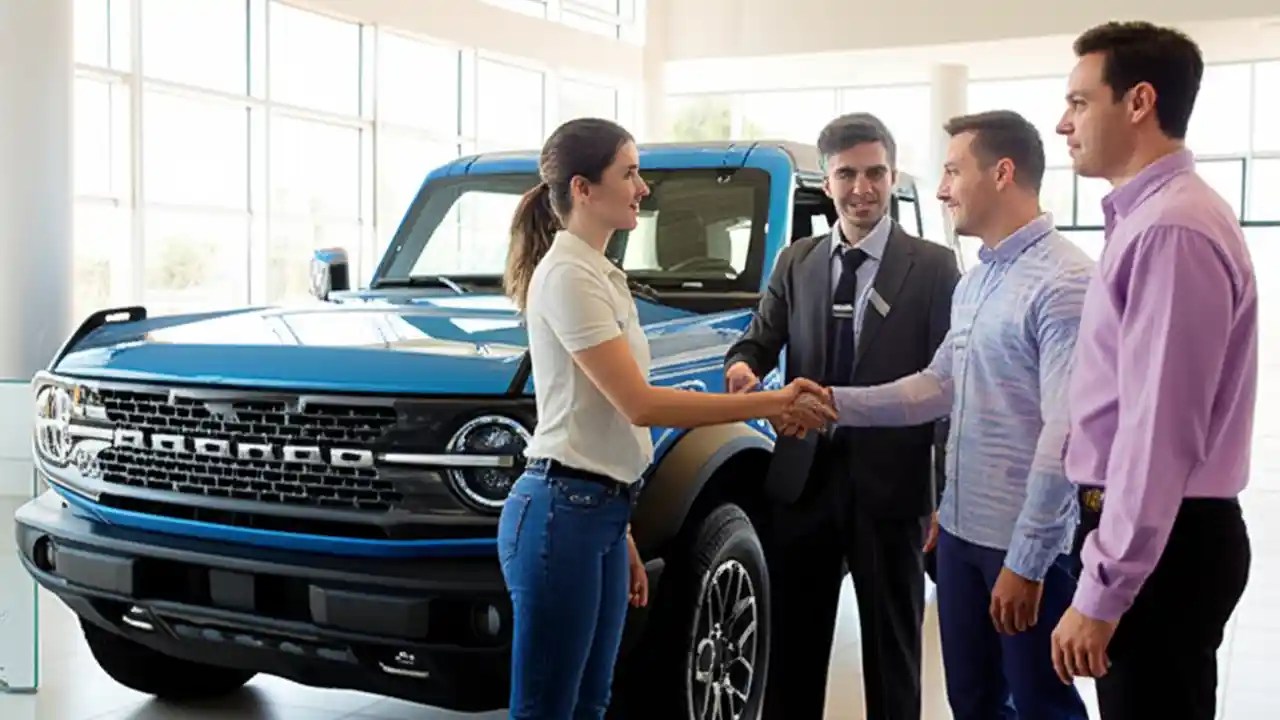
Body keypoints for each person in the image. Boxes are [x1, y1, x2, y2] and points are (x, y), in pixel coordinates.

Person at [497, 117, 835, 720]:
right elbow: (642, 404)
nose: (642, 188)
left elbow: (608, 419)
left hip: (596, 511)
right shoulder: (569, 276)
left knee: (591, 703)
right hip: (559, 517)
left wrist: (622, 524)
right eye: (629, 173)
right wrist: (771, 401)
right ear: (583, 188)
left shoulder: (602, 274)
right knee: (547, 709)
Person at [808, 110, 1092, 719]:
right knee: (973, 701)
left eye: (952, 171)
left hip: (1021, 543)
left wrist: (1029, 559)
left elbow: (1065, 437)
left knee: (1043, 704)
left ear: (1002, 174)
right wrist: (829, 401)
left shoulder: (1065, 282)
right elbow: (936, 387)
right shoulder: (978, 280)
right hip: (962, 538)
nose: (939, 189)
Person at [1049, 21, 1257, 720]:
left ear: (1138, 102)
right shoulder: (1152, 219)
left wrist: (1105, 588)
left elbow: (1157, 434)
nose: (1062, 123)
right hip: (1157, 538)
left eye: (1079, 102)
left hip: (1162, 546)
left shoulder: (1171, 229)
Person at [724, 112, 960, 720]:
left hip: (894, 488)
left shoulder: (934, 268)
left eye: (875, 173)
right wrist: (745, 372)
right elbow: (756, 342)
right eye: (847, 174)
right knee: (793, 654)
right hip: (804, 484)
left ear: (893, 174)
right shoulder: (795, 262)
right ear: (826, 183)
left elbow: (946, 392)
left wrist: (942, 490)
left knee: (893, 654)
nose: (863, 188)